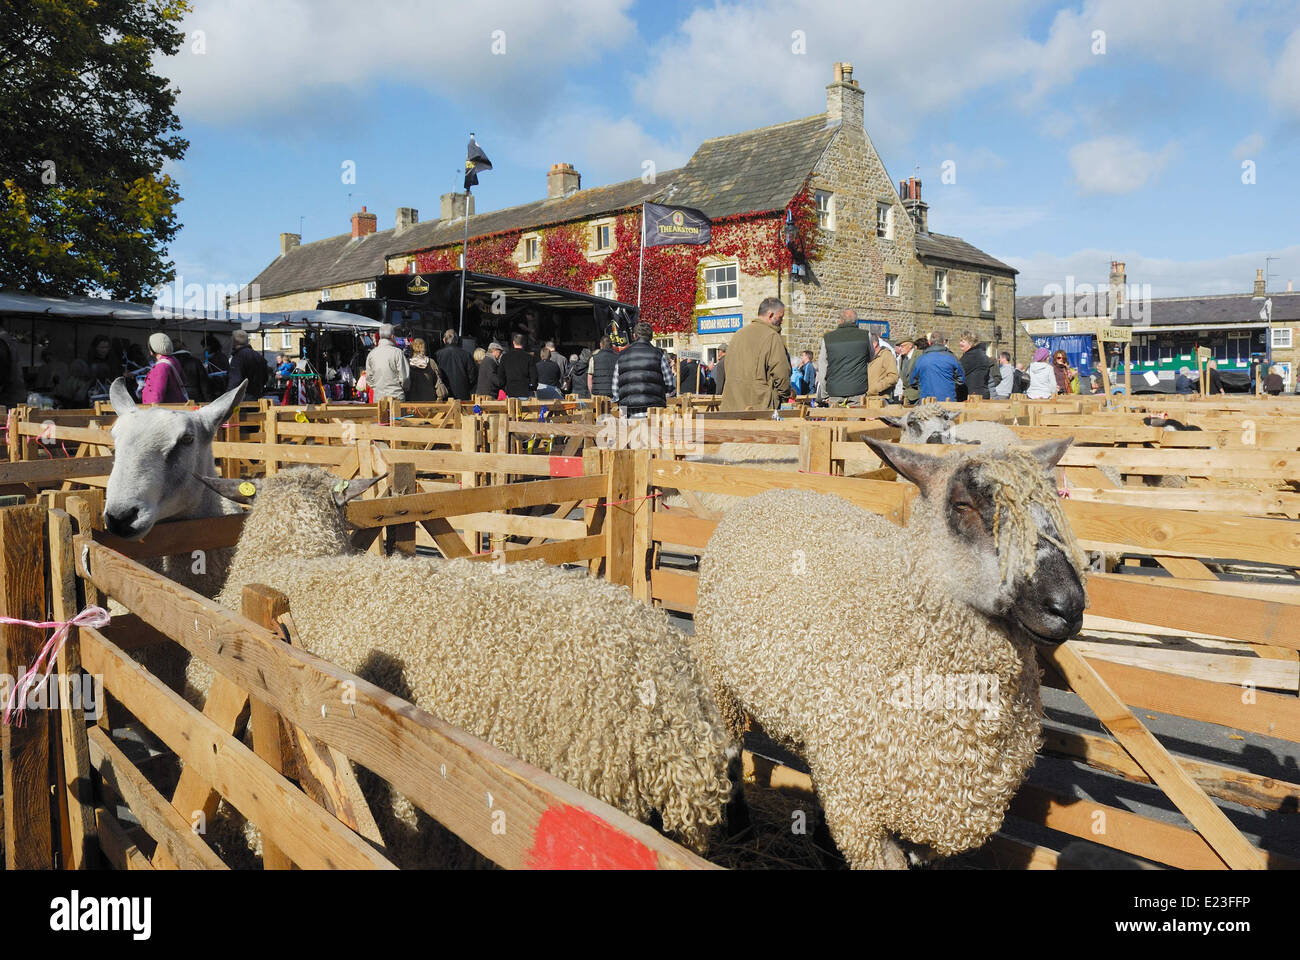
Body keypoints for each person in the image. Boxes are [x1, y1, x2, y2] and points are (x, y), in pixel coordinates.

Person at [721, 298, 791, 412]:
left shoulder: (738, 334)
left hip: (731, 406)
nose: (782, 321)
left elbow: (727, 367)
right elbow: (782, 373)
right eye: (780, 317)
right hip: (759, 406)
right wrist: (784, 396)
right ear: (770, 315)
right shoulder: (772, 337)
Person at [612, 321, 674, 417]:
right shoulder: (659, 354)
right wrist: (661, 394)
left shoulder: (622, 355)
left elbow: (615, 386)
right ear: (651, 337)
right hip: (654, 408)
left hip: (628, 408)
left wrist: (619, 401)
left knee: (631, 432)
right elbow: (669, 382)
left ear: (634, 336)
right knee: (653, 431)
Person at [814, 309, 873, 405]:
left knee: (837, 419)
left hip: (835, 392)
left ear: (840, 320)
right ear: (855, 321)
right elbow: (871, 357)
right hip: (858, 391)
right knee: (856, 418)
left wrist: (824, 394)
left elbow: (822, 367)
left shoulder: (828, 338)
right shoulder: (866, 335)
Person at [907, 331, 965, 403]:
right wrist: (949, 385)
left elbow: (912, 381)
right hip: (948, 400)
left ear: (929, 343)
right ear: (944, 342)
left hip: (927, 401)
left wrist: (924, 385)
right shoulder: (952, 358)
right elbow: (961, 379)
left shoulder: (921, 359)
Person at [365, 323, 410, 400]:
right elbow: (405, 378)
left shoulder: (371, 354)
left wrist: (378, 388)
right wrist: (403, 388)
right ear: (392, 336)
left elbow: (369, 378)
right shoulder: (398, 352)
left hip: (378, 397)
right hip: (396, 396)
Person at [141, 332, 189, 404]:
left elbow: (156, 396)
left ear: (153, 349)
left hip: (164, 411)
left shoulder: (161, 366)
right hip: (175, 404)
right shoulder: (173, 359)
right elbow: (184, 380)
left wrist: (150, 412)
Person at [434, 330, 477, 401]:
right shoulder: (466, 354)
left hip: (444, 393)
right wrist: (466, 386)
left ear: (444, 340)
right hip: (462, 393)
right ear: (457, 340)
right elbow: (473, 375)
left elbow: (435, 374)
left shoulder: (437, 355)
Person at [228, 330, 268, 399]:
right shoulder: (257, 355)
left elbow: (235, 380)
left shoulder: (238, 357)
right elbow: (265, 377)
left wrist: (227, 395)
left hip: (243, 398)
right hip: (257, 395)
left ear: (234, 341)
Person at [500, 332, 538, 399]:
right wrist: (533, 387)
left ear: (513, 342)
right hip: (524, 391)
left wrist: (503, 388)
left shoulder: (505, 357)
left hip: (510, 391)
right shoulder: (529, 357)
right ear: (523, 343)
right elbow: (534, 376)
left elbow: (501, 375)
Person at [958, 331, 993, 400]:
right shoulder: (980, 354)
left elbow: (958, 373)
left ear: (970, 343)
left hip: (973, 396)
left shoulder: (971, 356)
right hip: (982, 393)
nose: (960, 343)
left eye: (963, 341)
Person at [866, 333, 898, 398]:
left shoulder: (886, 355)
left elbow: (893, 377)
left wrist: (875, 388)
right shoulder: (868, 357)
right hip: (867, 398)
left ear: (874, 344)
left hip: (881, 399)